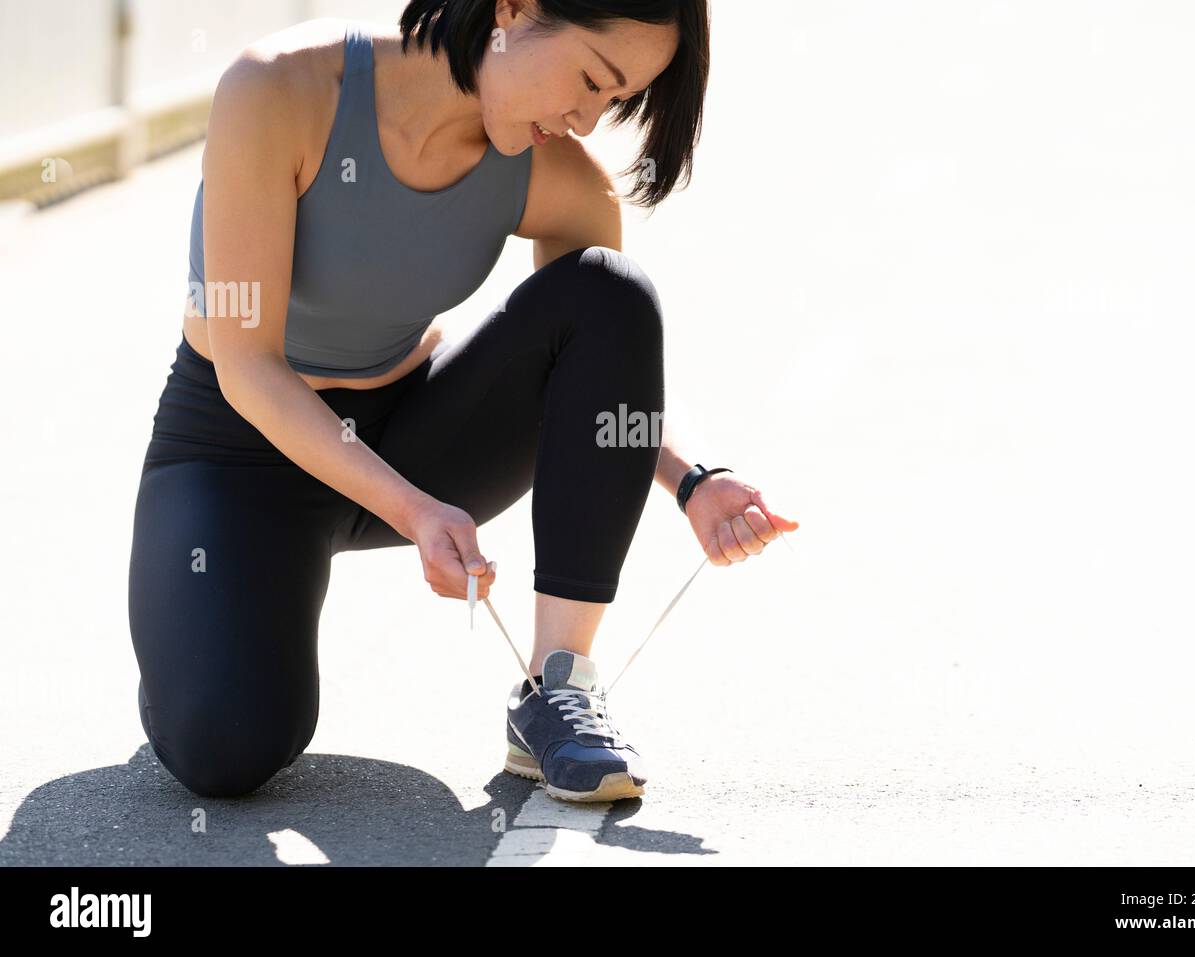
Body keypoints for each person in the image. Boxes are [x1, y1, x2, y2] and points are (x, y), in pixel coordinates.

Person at [128, 0, 796, 804]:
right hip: (237, 451)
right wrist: (413, 512)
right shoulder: (280, 90)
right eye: (591, 78)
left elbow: (606, 367)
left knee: (609, 290)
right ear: (512, 8)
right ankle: (207, 630)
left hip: (416, 435)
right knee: (225, 749)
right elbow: (248, 366)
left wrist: (694, 480)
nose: (588, 116)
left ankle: (558, 689)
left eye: (614, 100)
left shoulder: (553, 174)